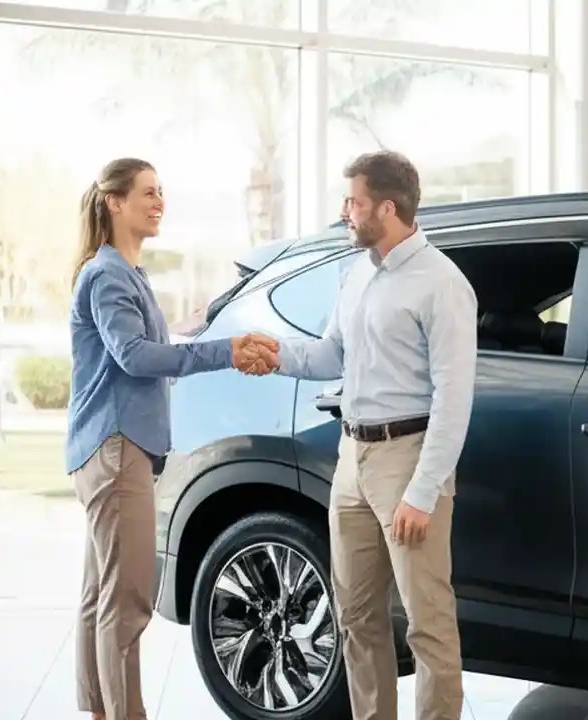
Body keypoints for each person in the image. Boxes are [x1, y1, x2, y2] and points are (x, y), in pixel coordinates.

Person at [65, 157, 279, 720]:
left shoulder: (124, 273)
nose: (159, 201)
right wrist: (223, 353)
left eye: (161, 191)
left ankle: (101, 710)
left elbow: (149, 344)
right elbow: (135, 357)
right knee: (127, 600)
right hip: (117, 451)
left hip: (108, 448)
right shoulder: (109, 275)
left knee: (101, 594)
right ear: (114, 201)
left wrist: (210, 331)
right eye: (148, 192)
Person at [269, 149, 478, 720]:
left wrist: (423, 491)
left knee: (428, 623)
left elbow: (454, 396)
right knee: (356, 616)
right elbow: (330, 354)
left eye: (354, 202)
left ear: (388, 208)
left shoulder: (442, 284)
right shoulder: (357, 273)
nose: (346, 211)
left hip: (408, 461)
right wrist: (274, 356)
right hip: (352, 459)